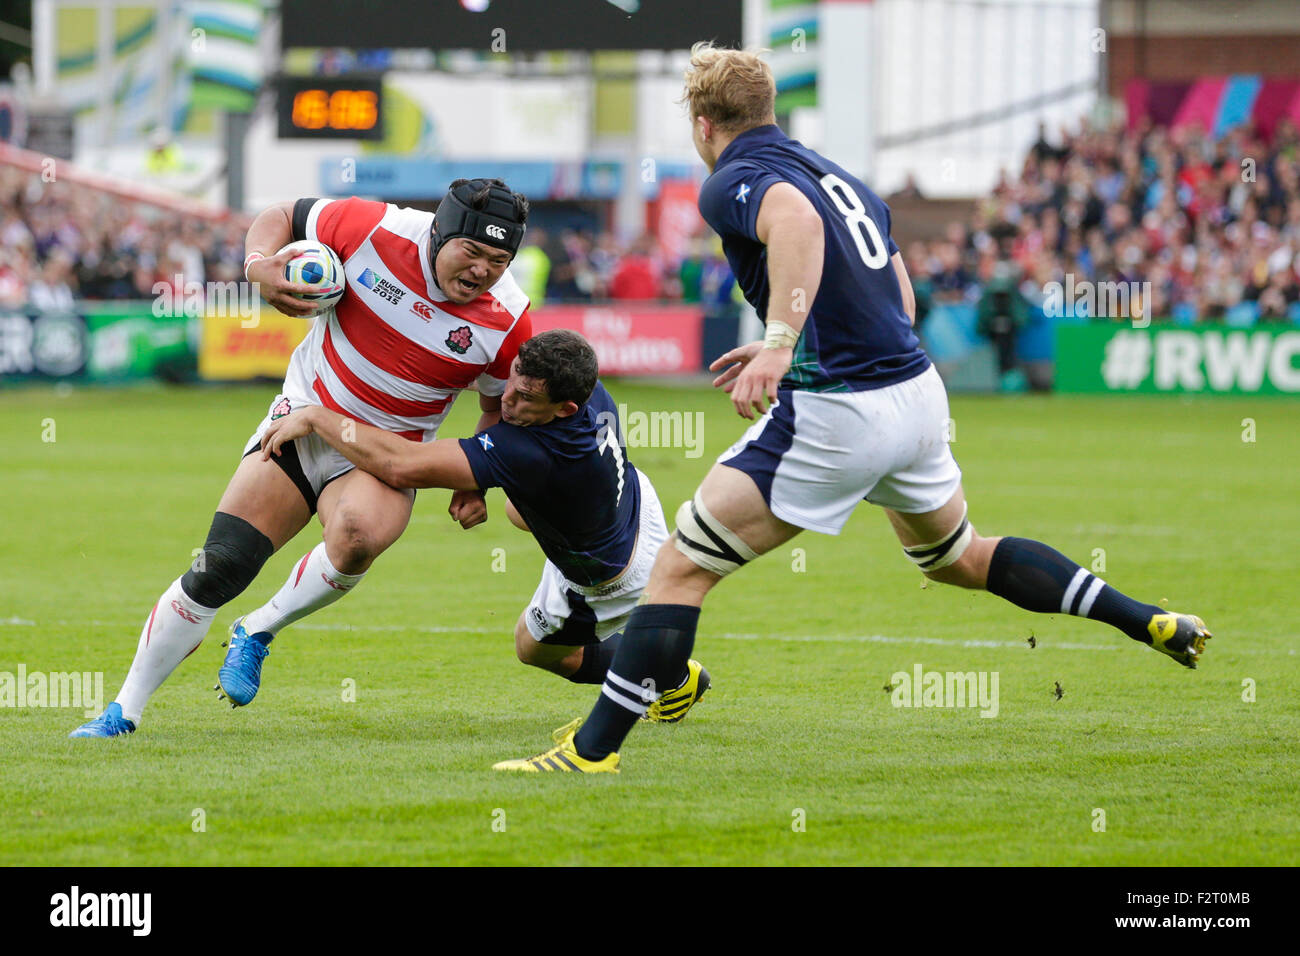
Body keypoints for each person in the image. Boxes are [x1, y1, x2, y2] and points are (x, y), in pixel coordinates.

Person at [494, 44, 1212, 774]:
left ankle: (591, 754)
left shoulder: (733, 179)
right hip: (914, 396)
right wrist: (801, 343)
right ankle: (1146, 619)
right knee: (960, 557)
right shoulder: (839, 176)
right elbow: (896, 297)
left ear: (704, 124)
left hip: (843, 413)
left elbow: (796, 228)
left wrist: (779, 347)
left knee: (679, 571)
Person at [71, 178, 533, 736]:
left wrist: (473, 481)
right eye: (473, 251)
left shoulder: (508, 318)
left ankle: (258, 630)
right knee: (222, 563)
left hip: (383, 454)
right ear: (439, 234)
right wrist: (258, 265)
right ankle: (123, 712)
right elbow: (282, 213)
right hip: (305, 413)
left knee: (359, 536)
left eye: (499, 259)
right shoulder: (372, 226)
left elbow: (496, 407)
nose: (484, 269)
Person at [258, 329, 710, 728]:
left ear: (565, 407)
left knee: (533, 648)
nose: (507, 401)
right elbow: (503, 425)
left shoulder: (534, 452)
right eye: (513, 382)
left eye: (526, 399)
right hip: (633, 497)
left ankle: (670, 676)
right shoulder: (580, 381)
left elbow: (399, 465)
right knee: (518, 510)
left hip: (606, 572)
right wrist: (478, 481)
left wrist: (317, 417)